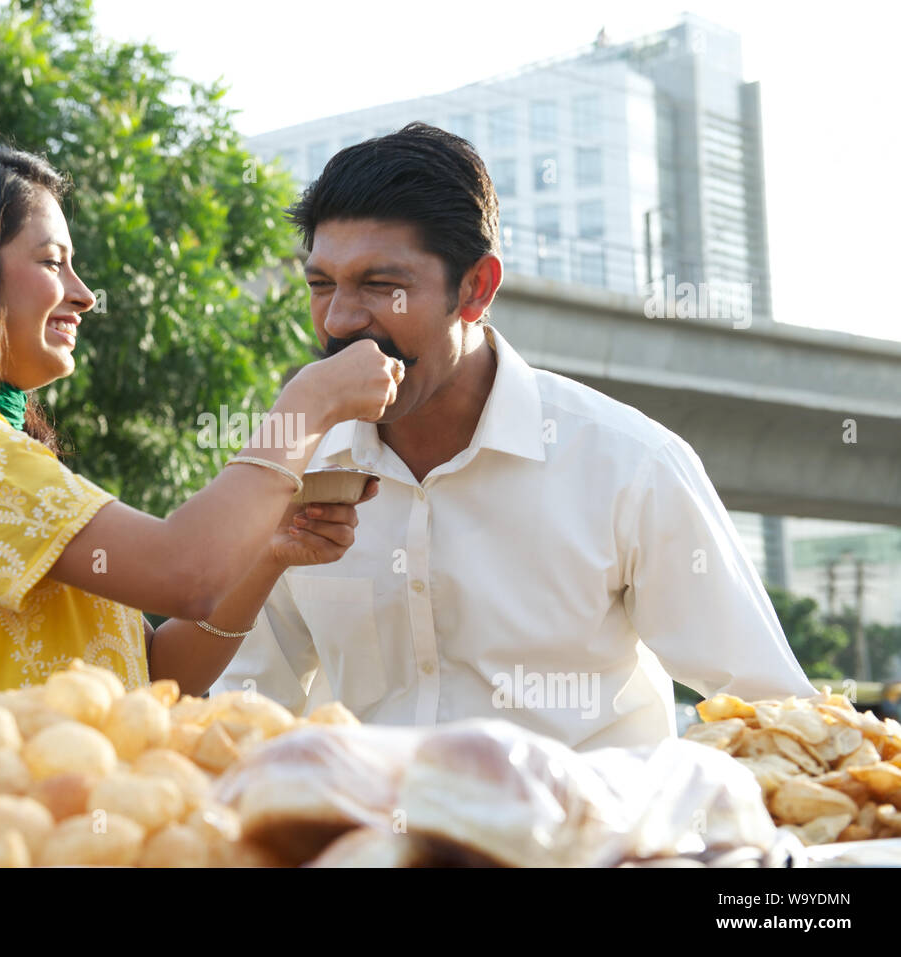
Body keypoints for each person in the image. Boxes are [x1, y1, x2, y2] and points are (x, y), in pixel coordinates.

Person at [0, 142, 400, 811]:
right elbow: (185, 572)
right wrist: (306, 406)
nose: (84, 293)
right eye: (51, 262)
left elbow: (152, 679)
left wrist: (270, 554)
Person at [211, 123, 816, 750]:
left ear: (476, 288)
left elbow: (773, 715)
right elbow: (240, 711)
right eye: (321, 284)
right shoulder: (287, 469)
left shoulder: (632, 466)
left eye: (380, 286)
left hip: (584, 846)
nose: (339, 320)